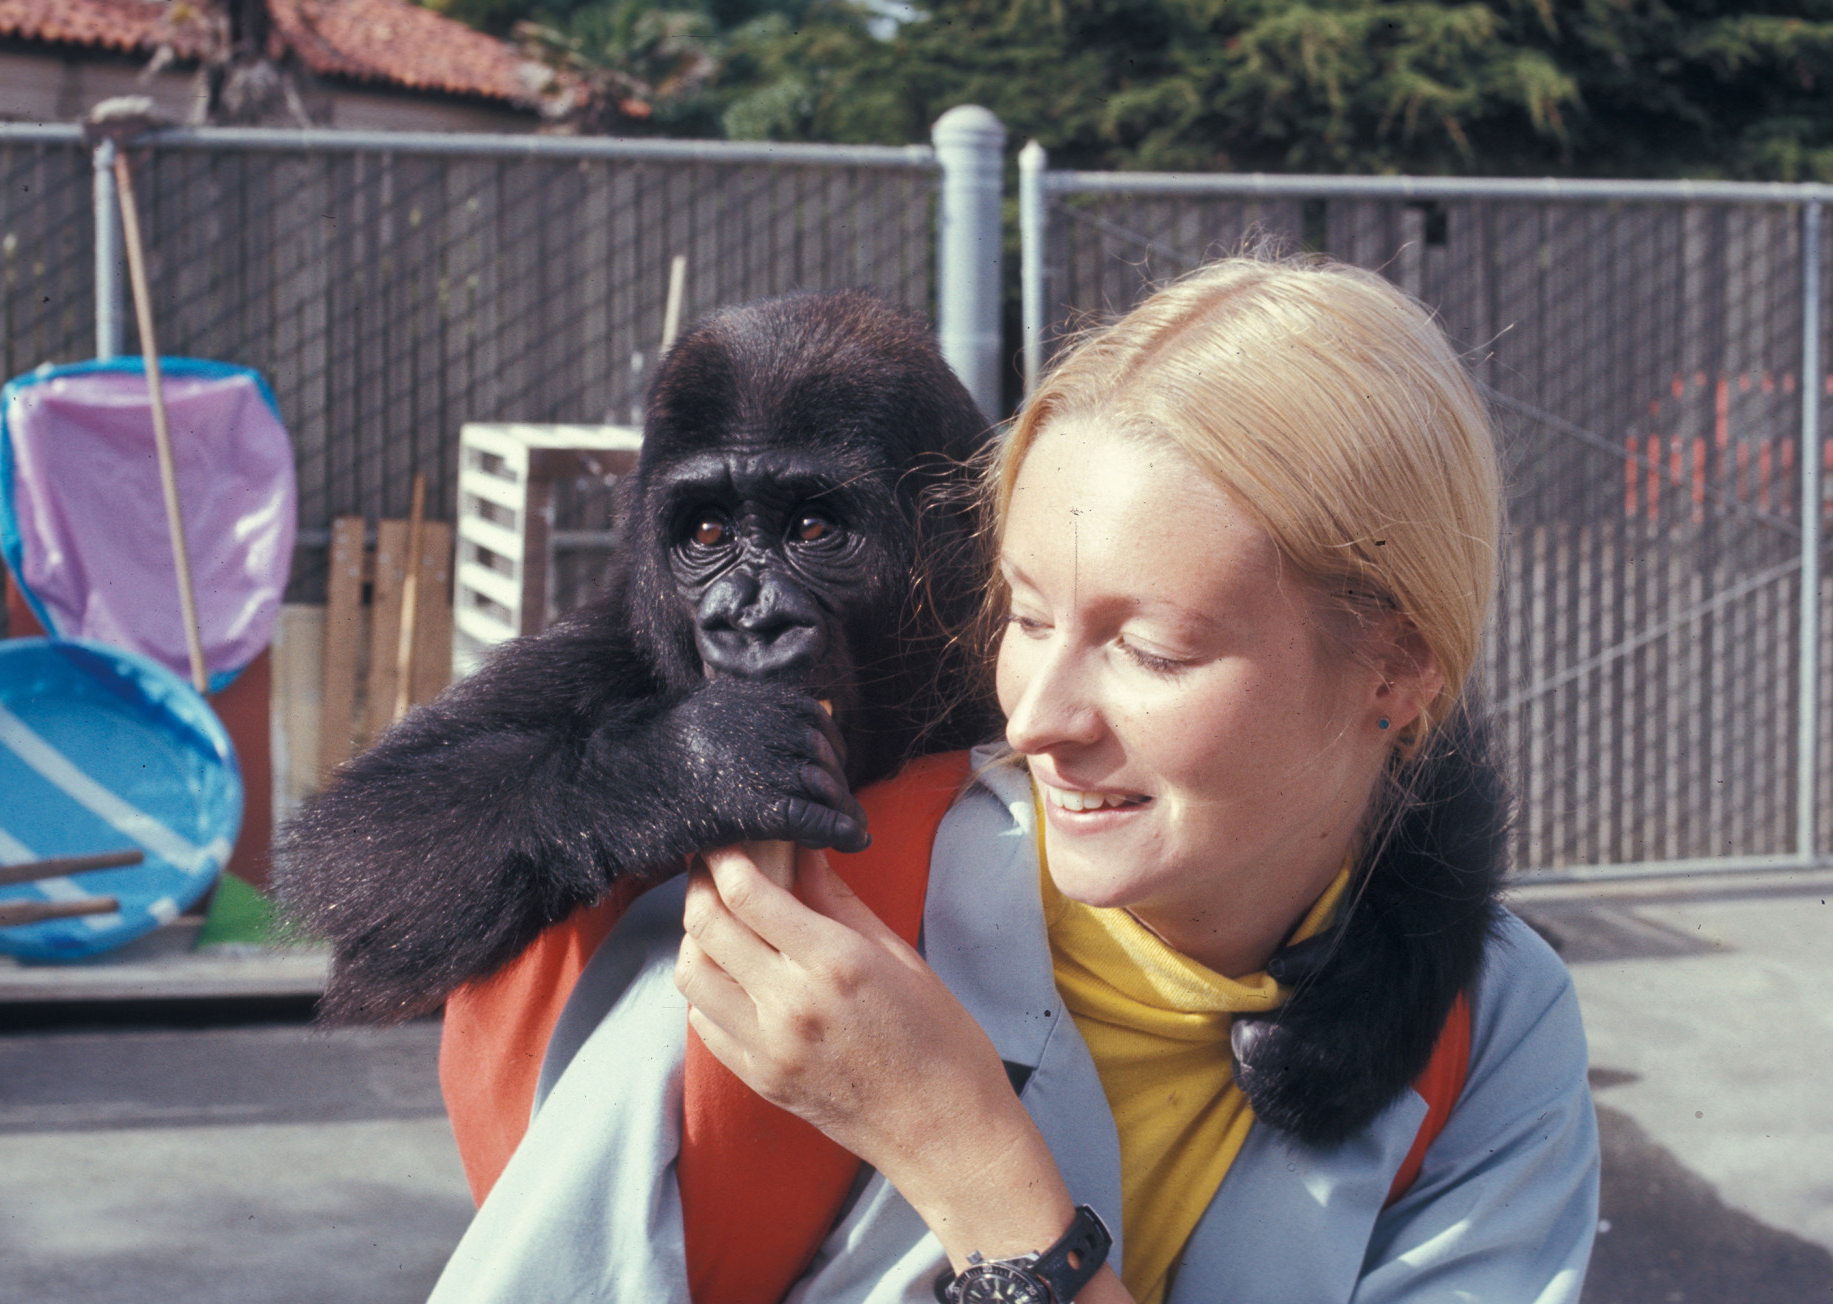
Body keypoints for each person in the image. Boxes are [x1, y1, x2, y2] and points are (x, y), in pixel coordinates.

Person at [427, 256, 1600, 1304]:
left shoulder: (1492, 1024)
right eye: (1026, 616)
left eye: (1154, 650)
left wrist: (962, 1152)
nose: (1032, 719)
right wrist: (660, 767)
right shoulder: (799, 923)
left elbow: (1426, 791)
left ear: (1396, 668)